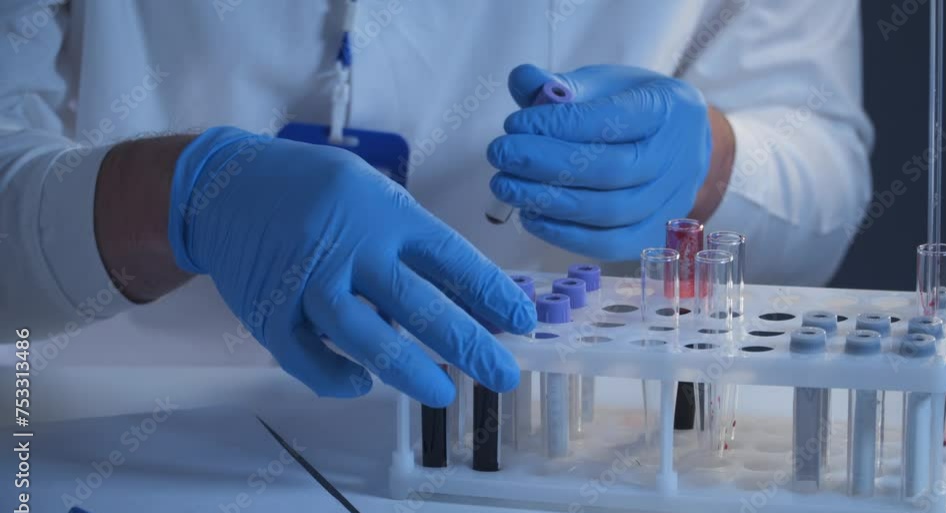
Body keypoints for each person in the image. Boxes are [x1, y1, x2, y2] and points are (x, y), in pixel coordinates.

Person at [0, 1, 873, 406]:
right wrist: (168, 198)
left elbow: (825, 162)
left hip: (547, 456)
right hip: (91, 427)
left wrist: (712, 163)